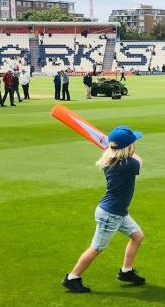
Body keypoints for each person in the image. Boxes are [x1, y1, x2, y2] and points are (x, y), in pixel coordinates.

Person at [62, 126, 146, 293]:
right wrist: (127, 150)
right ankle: (72, 278)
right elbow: (140, 160)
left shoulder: (111, 160)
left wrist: (116, 147)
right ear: (128, 147)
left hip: (117, 211)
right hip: (111, 214)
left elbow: (123, 154)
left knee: (137, 236)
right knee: (96, 248)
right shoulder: (129, 164)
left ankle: (126, 271)